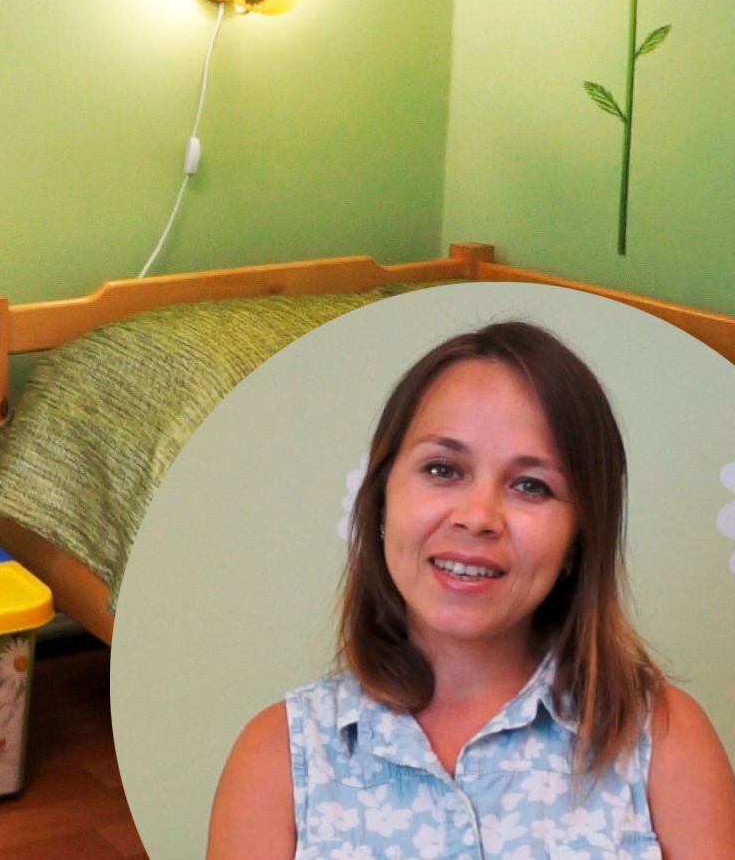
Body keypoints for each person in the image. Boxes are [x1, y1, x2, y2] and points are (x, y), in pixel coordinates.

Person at [208, 321, 735, 858]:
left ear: (580, 536)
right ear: (381, 500)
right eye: (442, 469)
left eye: (531, 486)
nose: (479, 516)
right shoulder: (279, 755)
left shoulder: (663, 738)